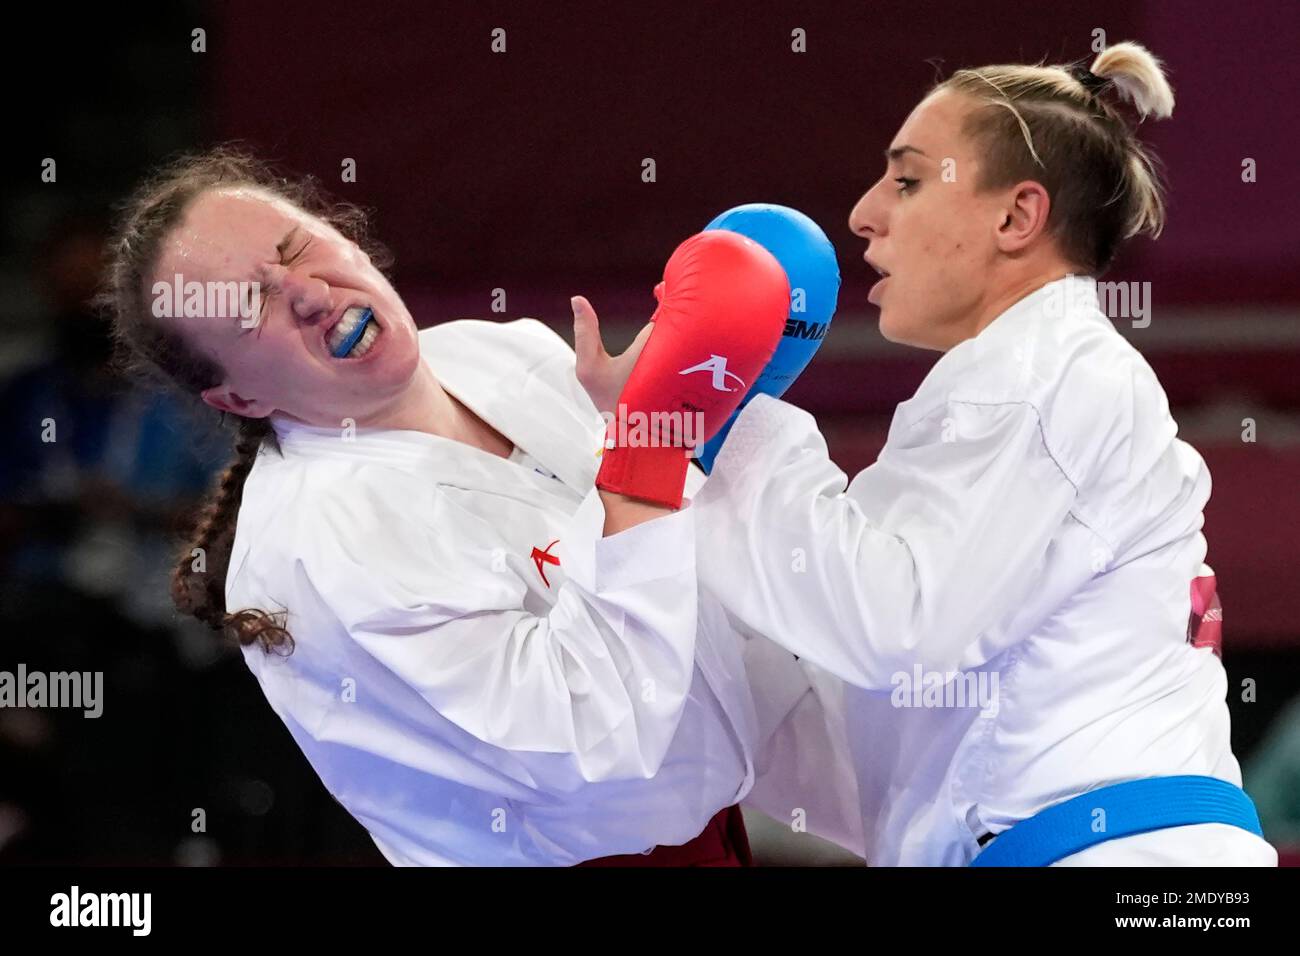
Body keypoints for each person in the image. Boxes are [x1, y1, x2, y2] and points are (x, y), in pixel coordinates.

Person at [98, 148, 859, 866]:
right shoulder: (326, 542)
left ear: (349, 237)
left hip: (717, 813)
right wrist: (644, 457)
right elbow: (593, 740)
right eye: (250, 310)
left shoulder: (489, 351)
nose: (304, 293)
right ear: (239, 396)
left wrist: (710, 430)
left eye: (297, 249)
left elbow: (701, 604)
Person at [686, 41, 1279, 865]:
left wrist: (732, 417)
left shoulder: (1044, 376)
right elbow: (856, 759)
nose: (864, 213)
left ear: (1014, 217)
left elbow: (894, 628)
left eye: (907, 180)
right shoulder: (1010, 396)